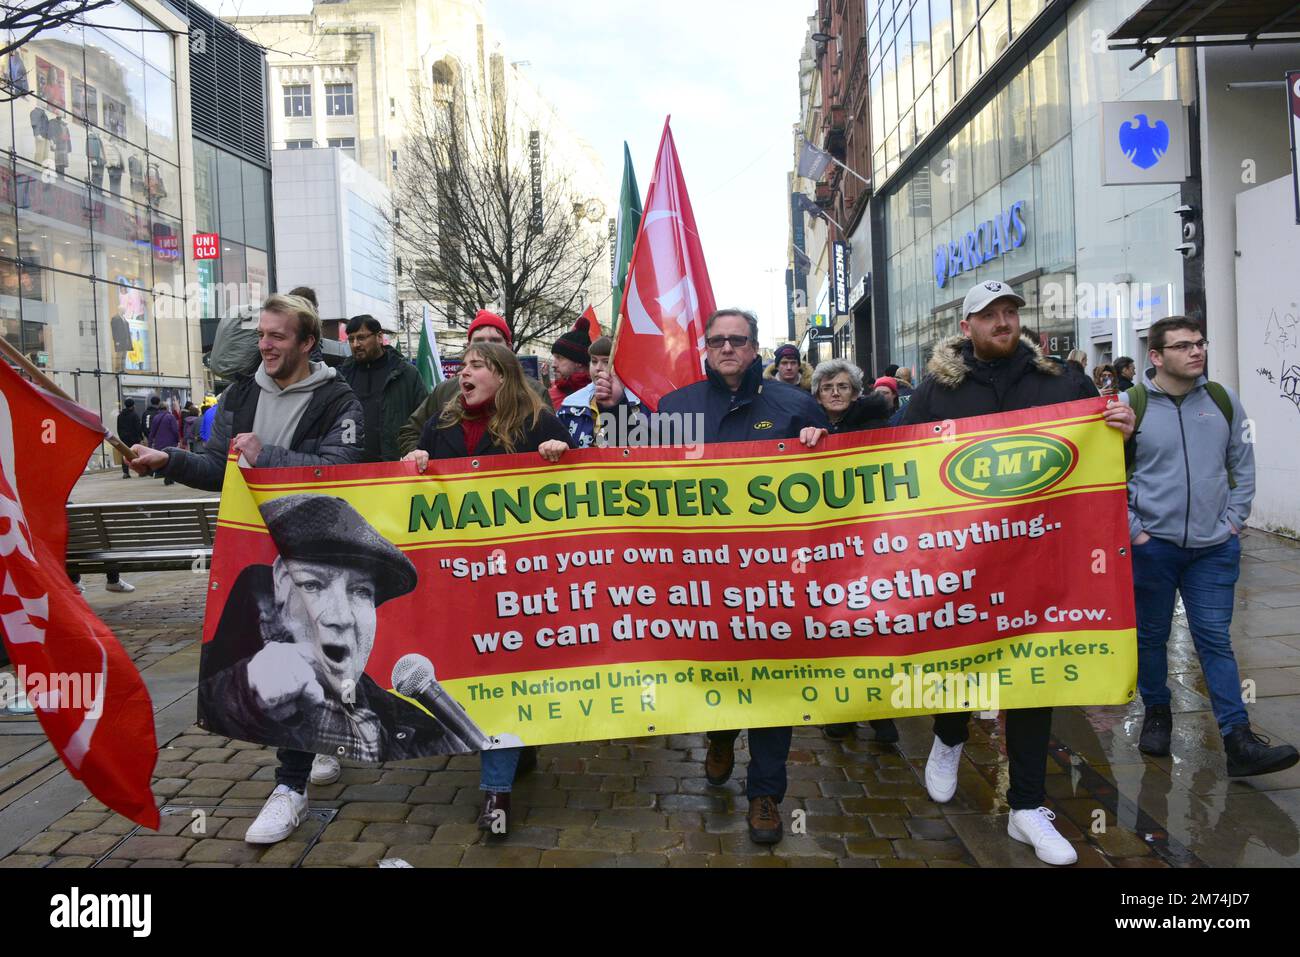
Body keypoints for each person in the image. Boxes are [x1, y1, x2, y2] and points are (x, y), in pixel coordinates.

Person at [898, 279, 1135, 866]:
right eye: (989, 314)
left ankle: (1028, 806)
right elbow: (889, 452)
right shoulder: (934, 392)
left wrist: (1127, 431)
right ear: (966, 327)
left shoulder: (1063, 382)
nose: (1003, 322)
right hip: (962, 560)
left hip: (1042, 557)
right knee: (960, 657)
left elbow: (1106, 458)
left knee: (1035, 672)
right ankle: (950, 736)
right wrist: (824, 442)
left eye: (1010, 312)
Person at [128, 293, 365, 843]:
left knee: (306, 649)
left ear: (307, 343)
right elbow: (217, 466)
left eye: (278, 336)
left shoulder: (336, 398)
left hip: (312, 549)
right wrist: (171, 461)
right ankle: (314, 746)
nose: (265, 345)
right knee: (276, 653)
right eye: (262, 335)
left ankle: (291, 786)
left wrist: (270, 456)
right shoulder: (240, 393)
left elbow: (344, 468)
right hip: (251, 546)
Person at [658, 308, 828, 845]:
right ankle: (721, 735)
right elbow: (643, 480)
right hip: (704, 576)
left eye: (739, 340)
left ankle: (765, 795)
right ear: (704, 348)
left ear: (756, 348)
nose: (728, 348)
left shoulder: (796, 405)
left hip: (776, 574)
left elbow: (831, 480)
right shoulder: (674, 408)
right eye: (718, 340)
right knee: (722, 673)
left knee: (774, 684)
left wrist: (822, 443)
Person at [403, 341, 573, 834]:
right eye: (464, 366)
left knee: (504, 672)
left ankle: (496, 793)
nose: (465, 374)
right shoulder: (442, 425)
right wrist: (414, 460)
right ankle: (516, 749)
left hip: (518, 579)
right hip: (460, 578)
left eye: (478, 366)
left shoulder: (537, 422)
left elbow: (585, 480)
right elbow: (417, 483)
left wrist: (561, 454)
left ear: (502, 376)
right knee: (476, 666)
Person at [1124, 316, 1298, 779]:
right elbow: (1109, 479)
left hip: (1214, 548)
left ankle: (1237, 739)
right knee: (1150, 637)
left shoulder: (1222, 401)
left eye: (1200, 343)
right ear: (1156, 356)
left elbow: (1242, 464)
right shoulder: (1130, 406)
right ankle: (1157, 713)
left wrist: (1234, 522)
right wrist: (1134, 530)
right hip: (1151, 548)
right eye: (1182, 346)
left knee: (1215, 640)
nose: (1196, 352)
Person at [199, 495, 473, 779]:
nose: (340, 617)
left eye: (361, 591)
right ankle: (290, 788)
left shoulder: (405, 721)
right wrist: (245, 690)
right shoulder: (234, 677)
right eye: (313, 585)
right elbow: (217, 701)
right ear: (282, 583)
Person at [810, 358, 899, 745]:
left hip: (870, 540)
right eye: (827, 387)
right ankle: (841, 709)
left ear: (857, 392)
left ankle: (879, 711)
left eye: (842, 386)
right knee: (834, 627)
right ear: (816, 394)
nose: (834, 393)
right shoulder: (803, 428)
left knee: (873, 624)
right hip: (823, 545)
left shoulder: (879, 427)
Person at [397, 310, 549, 456]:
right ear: (468, 346)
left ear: (509, 348)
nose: (487, 346)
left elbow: (552, 444)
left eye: (495, 341)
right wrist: (421, 458)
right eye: (479, 341)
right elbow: (411, 432)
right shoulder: (445, 391)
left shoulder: (535, 391)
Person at [338, 314, 428, 462]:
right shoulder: (342, 376)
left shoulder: (406, 374)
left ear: (379, 337)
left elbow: (424, 420)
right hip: (353, 470)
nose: (355, 344)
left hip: (396, 468)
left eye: (361, 338)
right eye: (351, 339)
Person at [557, 335, 645, 447]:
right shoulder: (570, 403)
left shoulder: (643, 403)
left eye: (606, 361)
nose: (598, 368)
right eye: (594, 361)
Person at [549, 316, 592, 409]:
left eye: (559, 358)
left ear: (579, 362)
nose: (553, 365)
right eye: (554, 357)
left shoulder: (599, 395)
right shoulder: (549, 397)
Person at [148, 397, 180, 485]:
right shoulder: (170, 417)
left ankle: (165, 476)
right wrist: (178, 440)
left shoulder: (155, 417)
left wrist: (150, 443)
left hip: (159, 443)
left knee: (163, 460)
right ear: (166, 408)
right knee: (171, 460)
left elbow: (152, 431)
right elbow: (175, 430)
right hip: (170, 442)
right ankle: (169, 478)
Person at [115, 399, 142, 478]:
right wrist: (140, 437)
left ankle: (125, 472)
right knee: (137, 455)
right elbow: (138, 428)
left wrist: (121, 437)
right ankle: (140, 471)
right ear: (133, 405)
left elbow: (118, 428)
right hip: (134, 438)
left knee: (125, 455)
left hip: (124, 438)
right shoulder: (134, 415)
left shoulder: (120, 415)